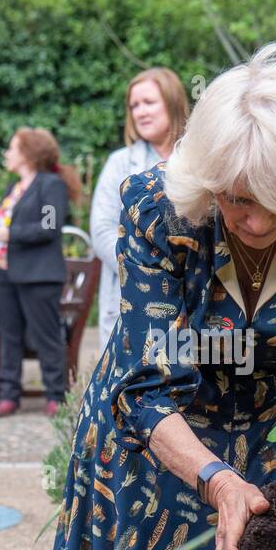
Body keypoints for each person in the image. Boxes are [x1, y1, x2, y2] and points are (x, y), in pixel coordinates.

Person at [46, 42, 276, 550]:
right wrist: (218, 479)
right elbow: (147, 383)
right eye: (238, 199)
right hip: (160, 429)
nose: (256, 222)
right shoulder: (159, 210)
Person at [0, 128, 78, 418]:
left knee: (46, 336)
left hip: (39, 276)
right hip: (5, 275)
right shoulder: (13, 189)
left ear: (28, 153)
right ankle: (9, 395)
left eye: (11, 148)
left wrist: (10, 233)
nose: (6, 153)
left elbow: (49, 226)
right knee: (9, 336)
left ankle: (56, 395)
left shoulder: (50, 185)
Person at [89, 68, 190, 352]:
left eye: (149, 102)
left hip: (192, 297)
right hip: (133, 295)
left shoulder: (198, 159)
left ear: (172, 102)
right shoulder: (120, 163)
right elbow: (101, 231)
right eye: (134, 105)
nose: (140, 112)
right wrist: (144, 270)